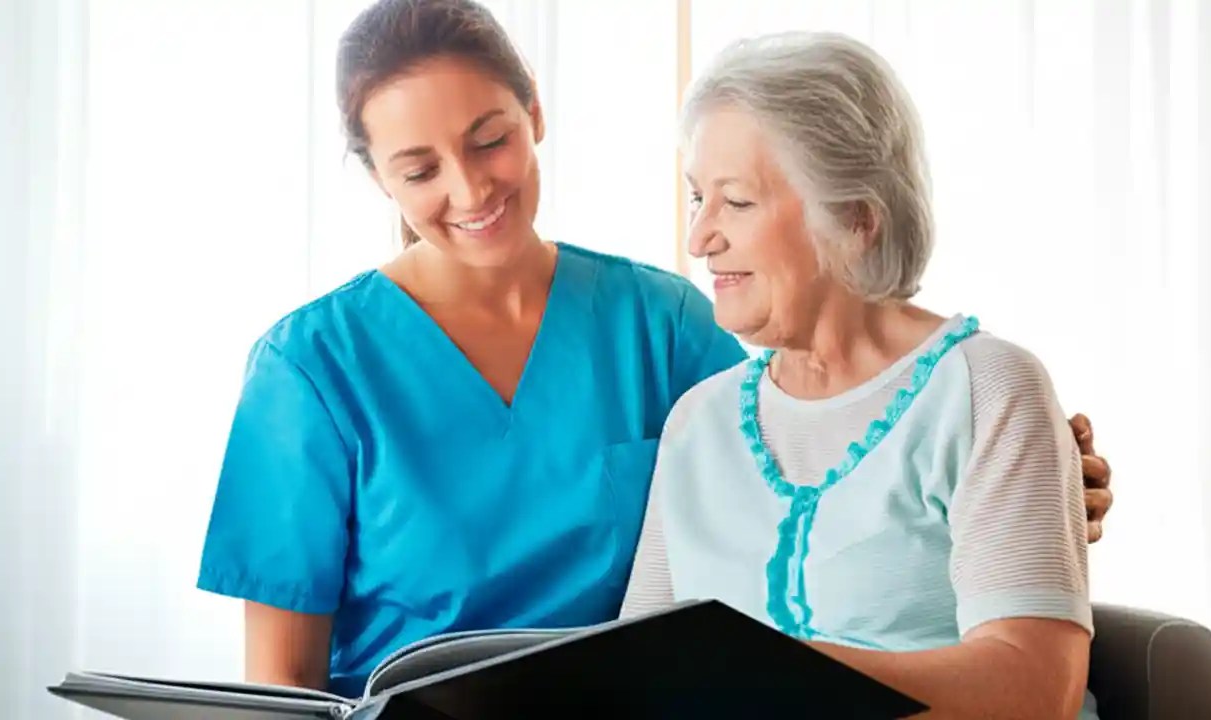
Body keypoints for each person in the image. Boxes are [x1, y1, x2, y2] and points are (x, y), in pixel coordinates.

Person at [195, 0, 1114, 698]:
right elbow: (281, 688)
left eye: (491, 140)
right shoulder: (310, 368)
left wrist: (1030, 478)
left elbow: (844, 419)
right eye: (419, 169)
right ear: (374, 176)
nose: (470, 187)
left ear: (535, 114)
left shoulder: (666, 326)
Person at [619, 30, 1103, 719]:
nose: (700, 238)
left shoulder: (989, 389)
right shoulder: (699, 421)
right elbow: (633, 676)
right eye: (698, 198)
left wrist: (757, 673)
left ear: (855, 218)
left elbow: (1034, 690)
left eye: (738, 201)